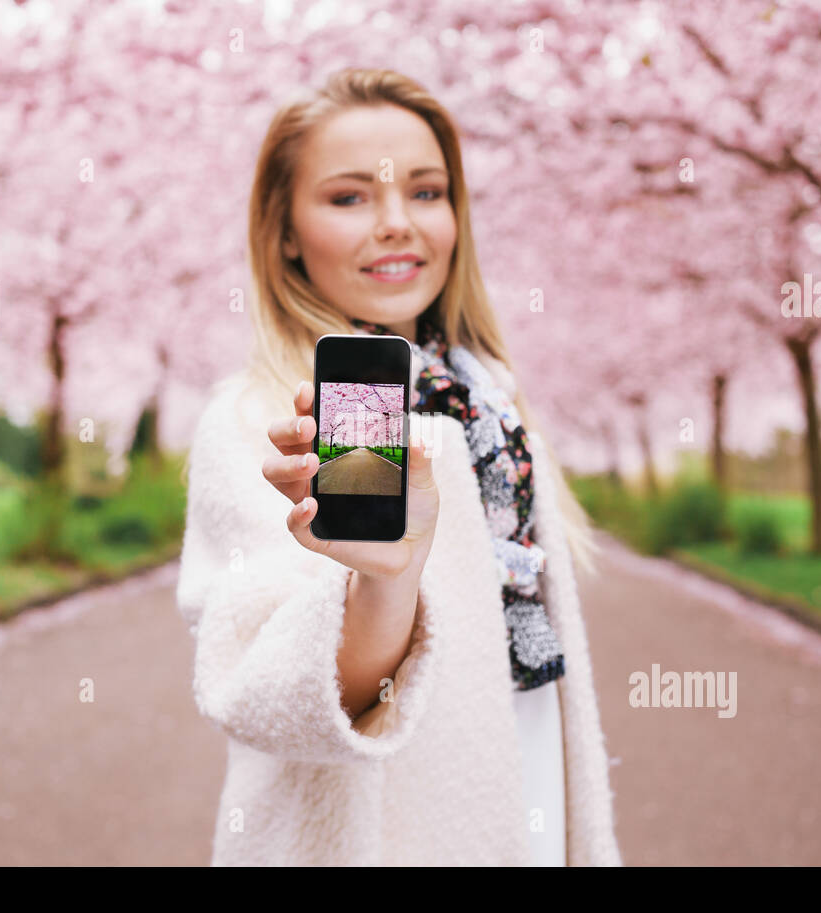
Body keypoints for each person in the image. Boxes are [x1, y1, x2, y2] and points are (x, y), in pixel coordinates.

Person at [176, 67, 623, 866]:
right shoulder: (264, 421)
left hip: (523, 766)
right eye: (349, 198)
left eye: (426, 192)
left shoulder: (487, 396)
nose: (396, 224)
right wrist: (386, 581)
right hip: (373, 827)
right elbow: (265, 693)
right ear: (284, 230)